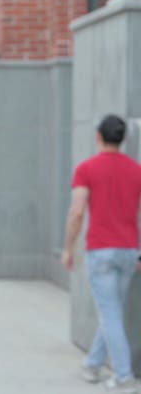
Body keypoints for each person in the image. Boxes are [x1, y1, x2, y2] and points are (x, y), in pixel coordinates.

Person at [61, 114, 141, 393]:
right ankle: (92, 365)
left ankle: (124, 377)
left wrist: (68, 248)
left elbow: (77, 212)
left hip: (101, 251)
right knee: (112, 311)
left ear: (97, 136)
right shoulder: (136, 170)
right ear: (124, 139)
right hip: (128, 251)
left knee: (109, 315)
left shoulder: (86, 169)